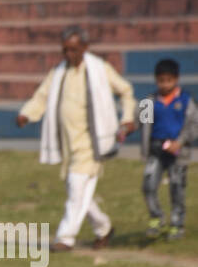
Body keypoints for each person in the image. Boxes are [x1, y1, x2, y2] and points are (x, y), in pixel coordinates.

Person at [17, 26, 135, 251]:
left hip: (92, 144)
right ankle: (104, 228)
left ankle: (65, 238)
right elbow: (41, 96)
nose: (68, 55)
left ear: (84, 47)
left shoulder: (100, 69)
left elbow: (126, 90)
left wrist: (128, 119)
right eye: (65, 50)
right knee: (79, 192)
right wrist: (26, 113)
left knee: (77, 187)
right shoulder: (59, 71)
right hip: (67, 145)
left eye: (73, 50)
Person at [140, 58, 198, 241]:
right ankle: (156, 218)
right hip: (156, 150)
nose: (165, 85)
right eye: (161, 81)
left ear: (176, 79)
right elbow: (141, 124)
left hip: (177, 152)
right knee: (148, 185)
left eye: (169, 80)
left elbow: (194, 125)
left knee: (176, 187)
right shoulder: (149, 101)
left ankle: (176, 224)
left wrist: (180, 142)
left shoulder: (186, 100)